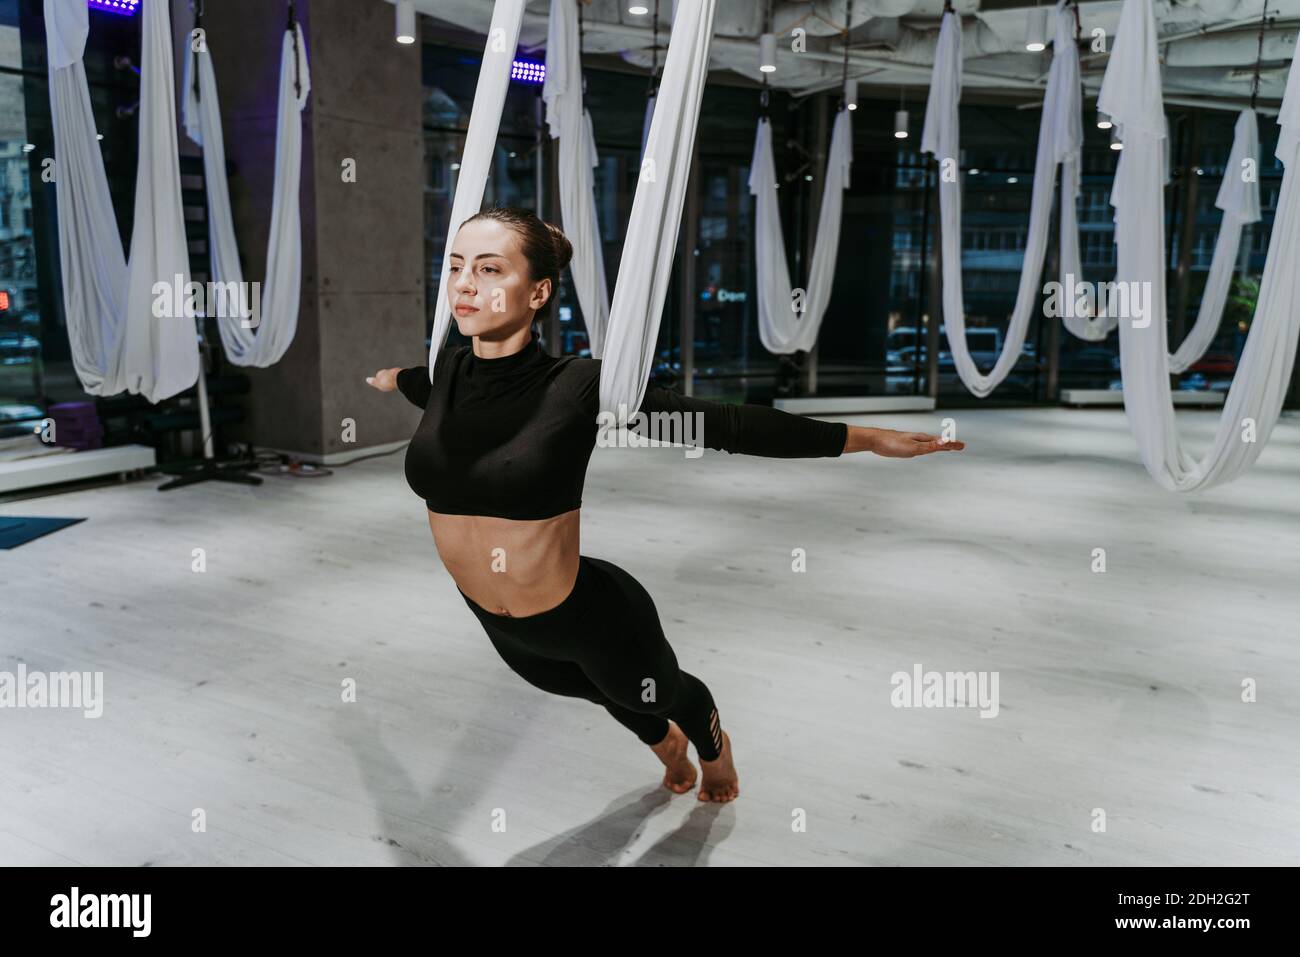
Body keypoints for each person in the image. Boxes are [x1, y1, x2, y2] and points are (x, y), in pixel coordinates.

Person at [367, 207, 965, 803]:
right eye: (456, 267)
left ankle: (715, 751)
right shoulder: (447, 368)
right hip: (493, 620)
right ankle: (665, 745)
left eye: (491, 269)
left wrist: (860, 439)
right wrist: (395, 377)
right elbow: (424, 386)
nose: (466, 284)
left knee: (655, 692)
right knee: (603, 697)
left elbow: (723, 425)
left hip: (589, 615)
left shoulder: (578, 387)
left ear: (539, 291)